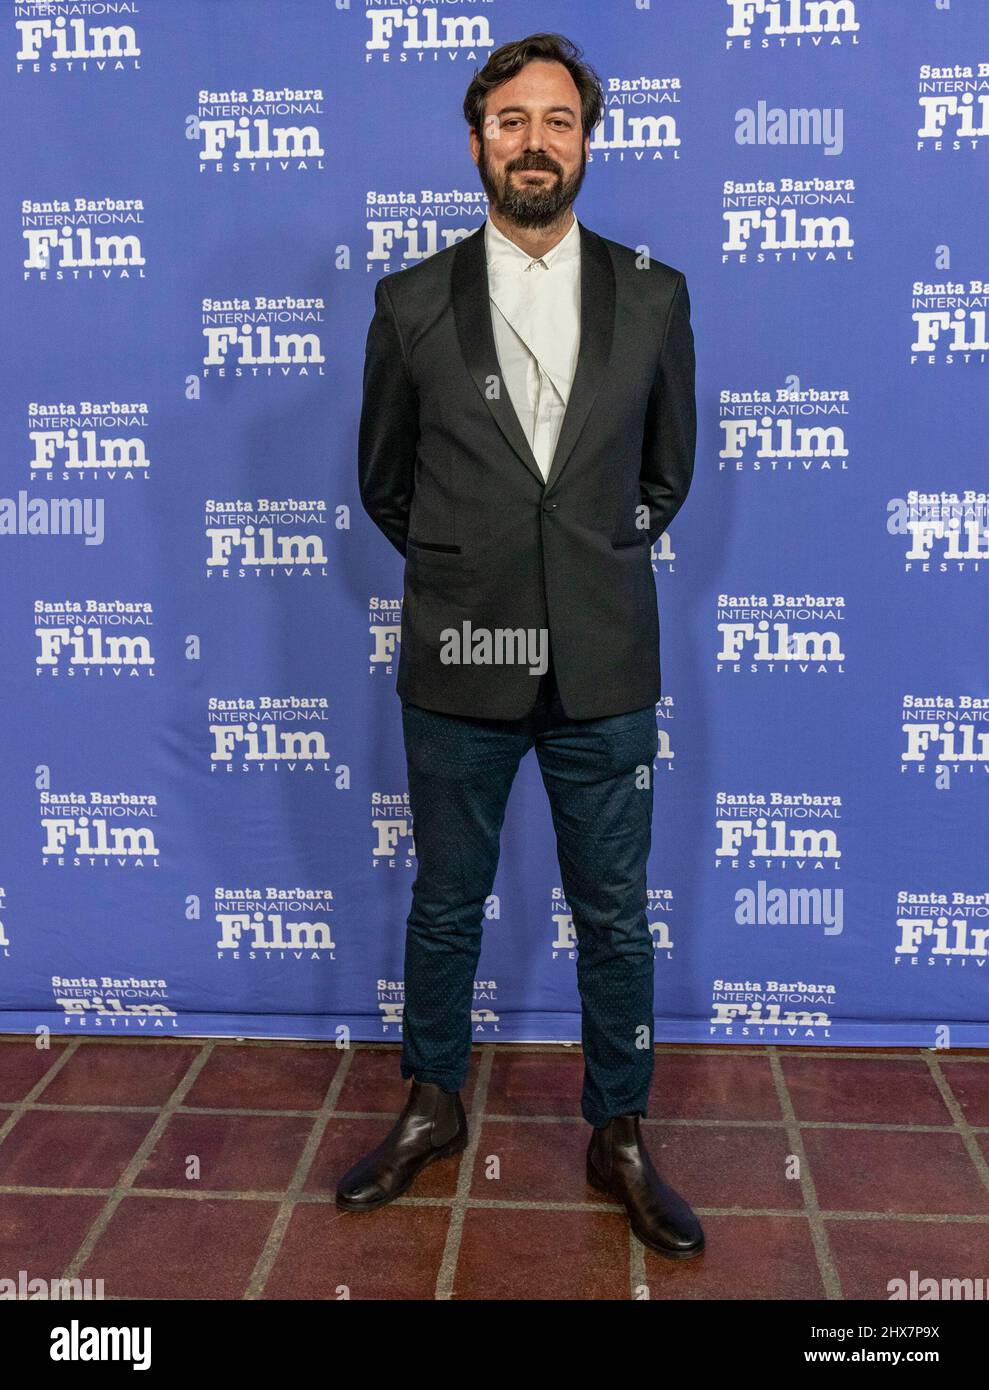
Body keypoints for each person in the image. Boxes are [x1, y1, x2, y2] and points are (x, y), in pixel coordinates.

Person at [339, 32, 703, 1260]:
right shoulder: (406, 302)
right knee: (445, 903)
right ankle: (432, 1104)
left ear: (586, 140)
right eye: (510, 122)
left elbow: (664, 476)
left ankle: (620, 1132)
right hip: (459, 653)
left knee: (613, 912)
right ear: (476, 141)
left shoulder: (656, 295)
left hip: (603, 660)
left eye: (556, 120)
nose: (533, 141)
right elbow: (385, 485)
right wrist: (474, 566)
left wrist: (577, 567)